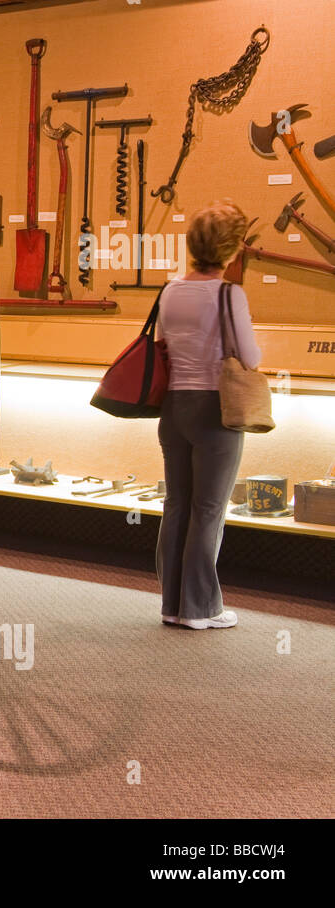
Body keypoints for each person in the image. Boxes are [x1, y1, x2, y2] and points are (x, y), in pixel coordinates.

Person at [155, 201, 262, 629]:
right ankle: (200, 609)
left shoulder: (169, 290)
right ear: (231, 248)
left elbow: (163, 342)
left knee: (176, 505)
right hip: (216, 409)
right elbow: (250, 356)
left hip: (173, 407)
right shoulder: (229, 294)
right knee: (209, 509)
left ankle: (173, 605)